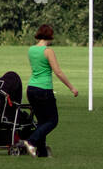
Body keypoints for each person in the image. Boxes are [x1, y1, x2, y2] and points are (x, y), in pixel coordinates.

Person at [22, 24, 77, 157]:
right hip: (44, 89)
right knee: (52, 120)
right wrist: (71, 87)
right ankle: (31, 141)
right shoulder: (48, 51)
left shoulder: (31, 50)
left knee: (42, 122)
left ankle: (42, 151)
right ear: (50, 35)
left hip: (31, 89)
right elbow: (57, 71)